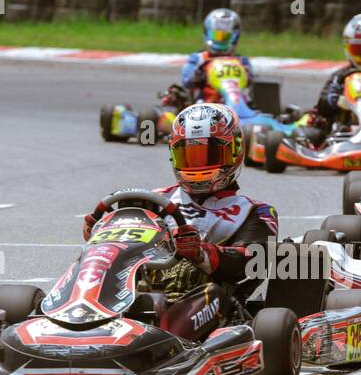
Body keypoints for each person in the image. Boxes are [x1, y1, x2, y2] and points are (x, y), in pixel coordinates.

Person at [83, 104, 278, 333]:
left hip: (203, 298)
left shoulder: (254, 211)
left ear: (234, 151)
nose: (198, 167)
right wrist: (100, 233)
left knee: (205, 297)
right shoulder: (152, 199)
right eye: (188, 156)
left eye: (209, 155)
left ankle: (165, 339)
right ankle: (78, 312)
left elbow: (255, 260)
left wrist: (200, 253)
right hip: (137, 291)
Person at [165, 9, 255, 108]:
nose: (221, 40)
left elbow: (251, 84)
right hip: (204, 106)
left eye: (226, 37)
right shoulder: (199, 59)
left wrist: (247, 77)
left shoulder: (242, 62)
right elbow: (186, 81)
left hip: (237, 106)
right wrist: (198, 77)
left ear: (235, 36)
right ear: (207, 33)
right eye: (217, 35)